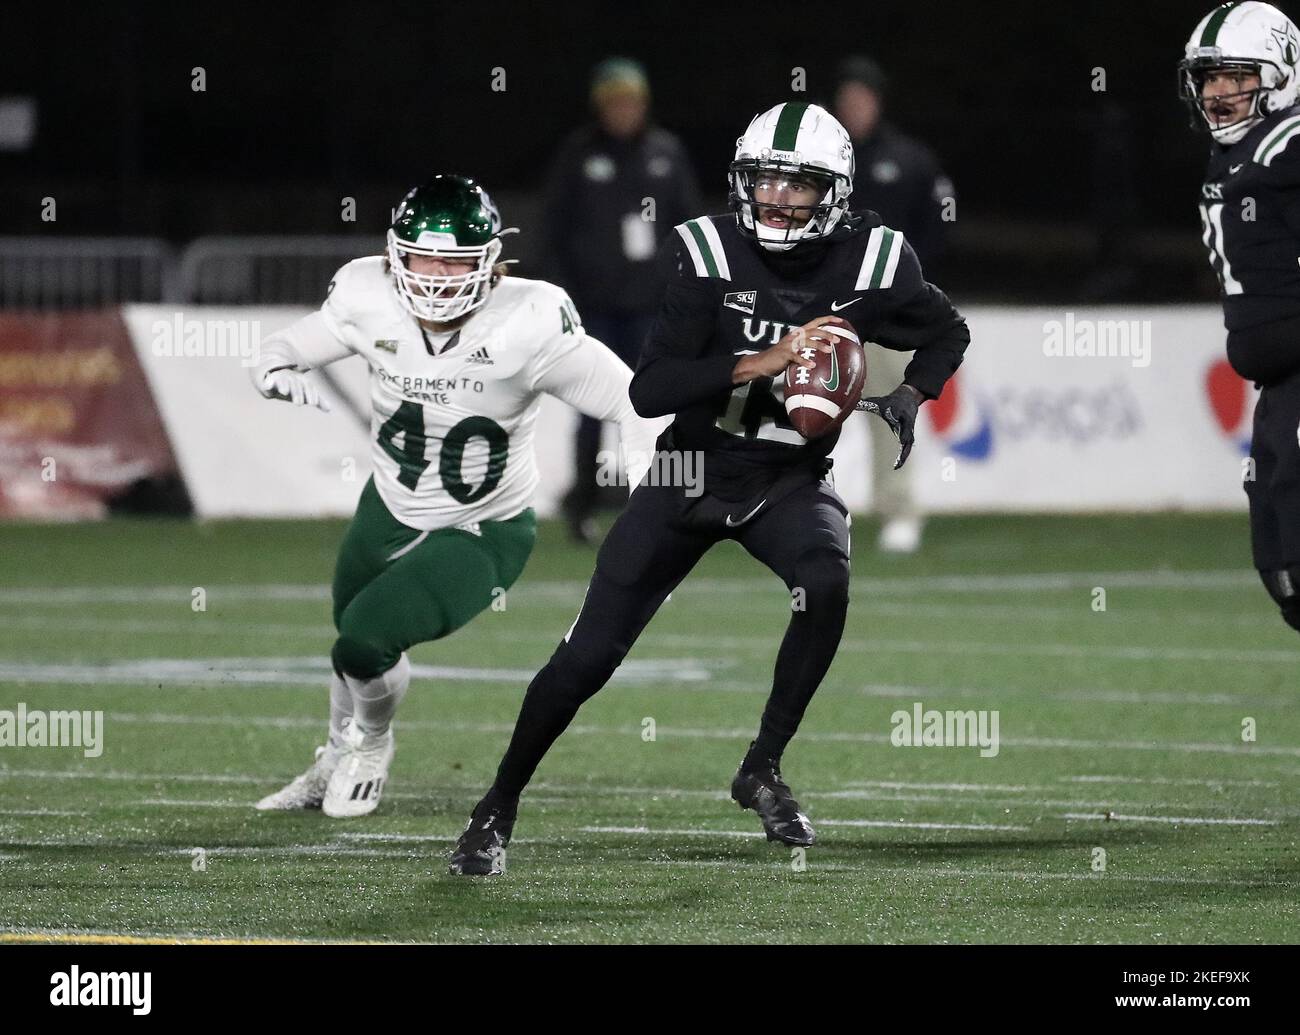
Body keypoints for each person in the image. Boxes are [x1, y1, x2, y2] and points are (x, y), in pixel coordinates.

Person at [448, 103, 970, 875]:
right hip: (689, 469)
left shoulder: (877, 261)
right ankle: (496, 804)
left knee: (824, 580)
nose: (779, 197)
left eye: (799, 184)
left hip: (787, 477)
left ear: (835, 191)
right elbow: (653, 388)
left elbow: (946, 330)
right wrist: (752, 364)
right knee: (587, 657)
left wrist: (909, 393)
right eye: (767, 180)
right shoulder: (707, 250)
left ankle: (762, 764)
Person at [249, 174, 655, 817]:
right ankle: (333, 754)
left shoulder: (529, 319)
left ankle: (372, 744)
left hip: (482, 525)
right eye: (423, 257)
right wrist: (270, 366)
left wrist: (647, 484)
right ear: (394, 255)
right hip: (388, 502)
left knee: (361, 642)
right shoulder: (366, 294)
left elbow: (633, 397)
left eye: (455, 259)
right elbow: (294, 343)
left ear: (490, 261)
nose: (436, 275)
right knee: (356, 643)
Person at [544, 58, 702, 543]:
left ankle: (664, 503)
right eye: (614, 100)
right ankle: (583, 504)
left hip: (653, 309)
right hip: (594, 307)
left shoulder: (665, 153)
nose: (623, 109)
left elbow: (691, 225)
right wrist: (562, 295)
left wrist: (689, 293)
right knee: (591, 407)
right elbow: (555, 228)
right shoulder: (578, 154)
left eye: (630, 99)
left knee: (659, 407)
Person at [1180, 2, 1300, 637]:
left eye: (1232, 75)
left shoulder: (1289, 143)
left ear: (1281, 72)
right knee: (1279, 560)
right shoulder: (1235, 156)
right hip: (1277, 382)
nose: (1217, 92)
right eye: (1207, 77)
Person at [833, 56, 955, 553]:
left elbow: (941, 224)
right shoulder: (825, 159)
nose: (853, 107)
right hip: (826, 309)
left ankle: (898, 508)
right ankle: (793, 510)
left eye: (861, 98)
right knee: (805, 408)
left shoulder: (909, 159)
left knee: (889, 409)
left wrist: (910, 289)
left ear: (877, 101)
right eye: (846, 100)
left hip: (886, 314)